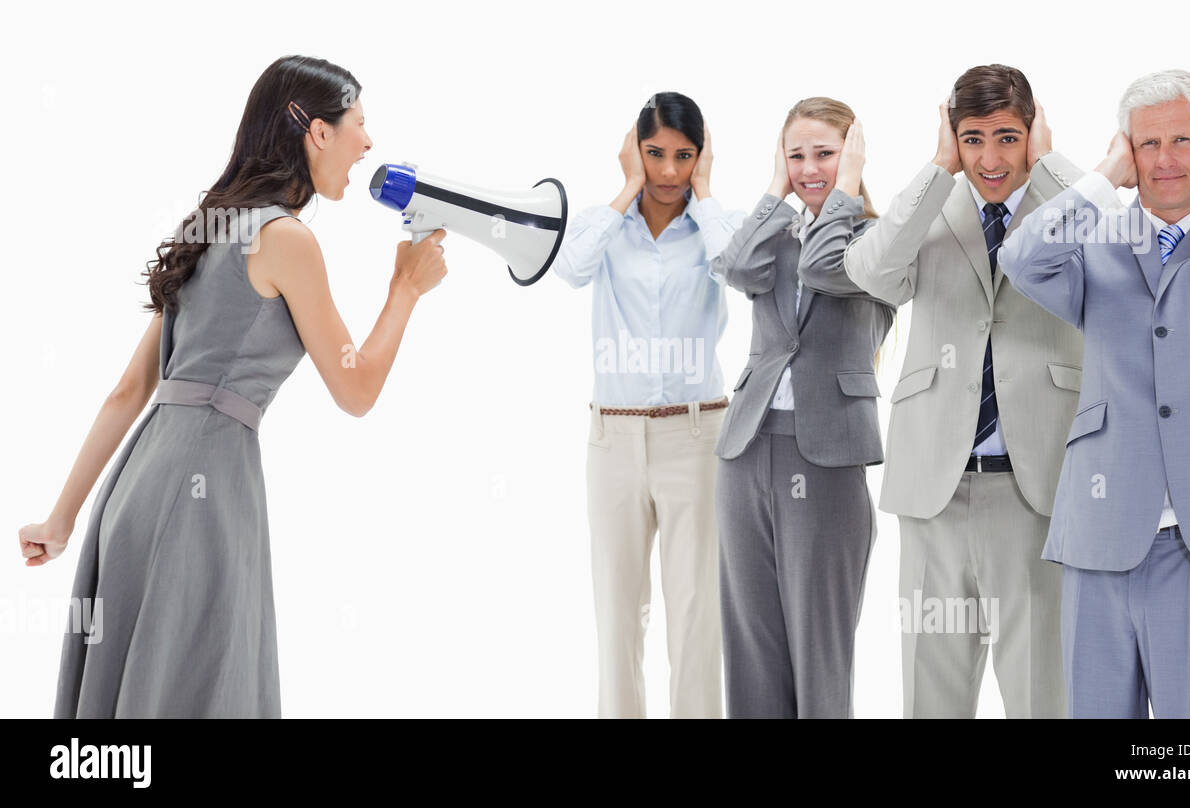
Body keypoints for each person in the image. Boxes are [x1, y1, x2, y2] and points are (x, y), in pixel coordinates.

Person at [17, 55, 448, 718]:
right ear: (316, 131)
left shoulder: (211, 226)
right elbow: (356, 388)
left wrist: (64, 518)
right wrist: (405, 290)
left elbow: (128, 391)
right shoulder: (286, 239)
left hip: (135, 487)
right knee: (205, 678)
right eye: (359, 123)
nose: (369, 142)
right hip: (206, 489)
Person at [999, 69, 1190, 718]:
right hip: (1101, 532)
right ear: (1127, 151)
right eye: (1147, 145)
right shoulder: (1094, 243)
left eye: (1182, 141)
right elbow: (1022, 257)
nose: (1164, 160)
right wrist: (1102, 178)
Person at [843, 65, 1084, 718]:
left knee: (1042, 694)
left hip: (1038, 488)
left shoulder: (1065, 209)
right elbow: (868, 272)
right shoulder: (932, 203)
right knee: (932, 691)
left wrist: (1052, 163)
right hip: (934, 488)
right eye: (973, 138)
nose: (991, 158)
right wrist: (937, 166)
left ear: (1032, 133)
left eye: (1007, 137)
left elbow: (1132, 244)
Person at [551, 91, 745, 718]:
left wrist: (707, 190)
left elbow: (737, 269)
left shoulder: (718, 225)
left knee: (696, 618)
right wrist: (624, 188)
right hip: (613, 439)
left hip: (696, 437)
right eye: (654, 154)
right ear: (634, 150)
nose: (667, 172)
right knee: (618, 615)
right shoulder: (600, 226)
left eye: (683, 156)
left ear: (701, 156)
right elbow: (571, 268)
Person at [711, 97, 894, 718]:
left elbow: (824, 268)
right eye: (797, 155)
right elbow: (733, 267)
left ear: (853, 156)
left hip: (828, 451)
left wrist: (842, 192)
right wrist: (775, 188)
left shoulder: (879, 239)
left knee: (820, 648)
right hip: (746, 446)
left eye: (826, 153)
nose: (810, 168)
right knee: (751, 644)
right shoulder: (772, 238)